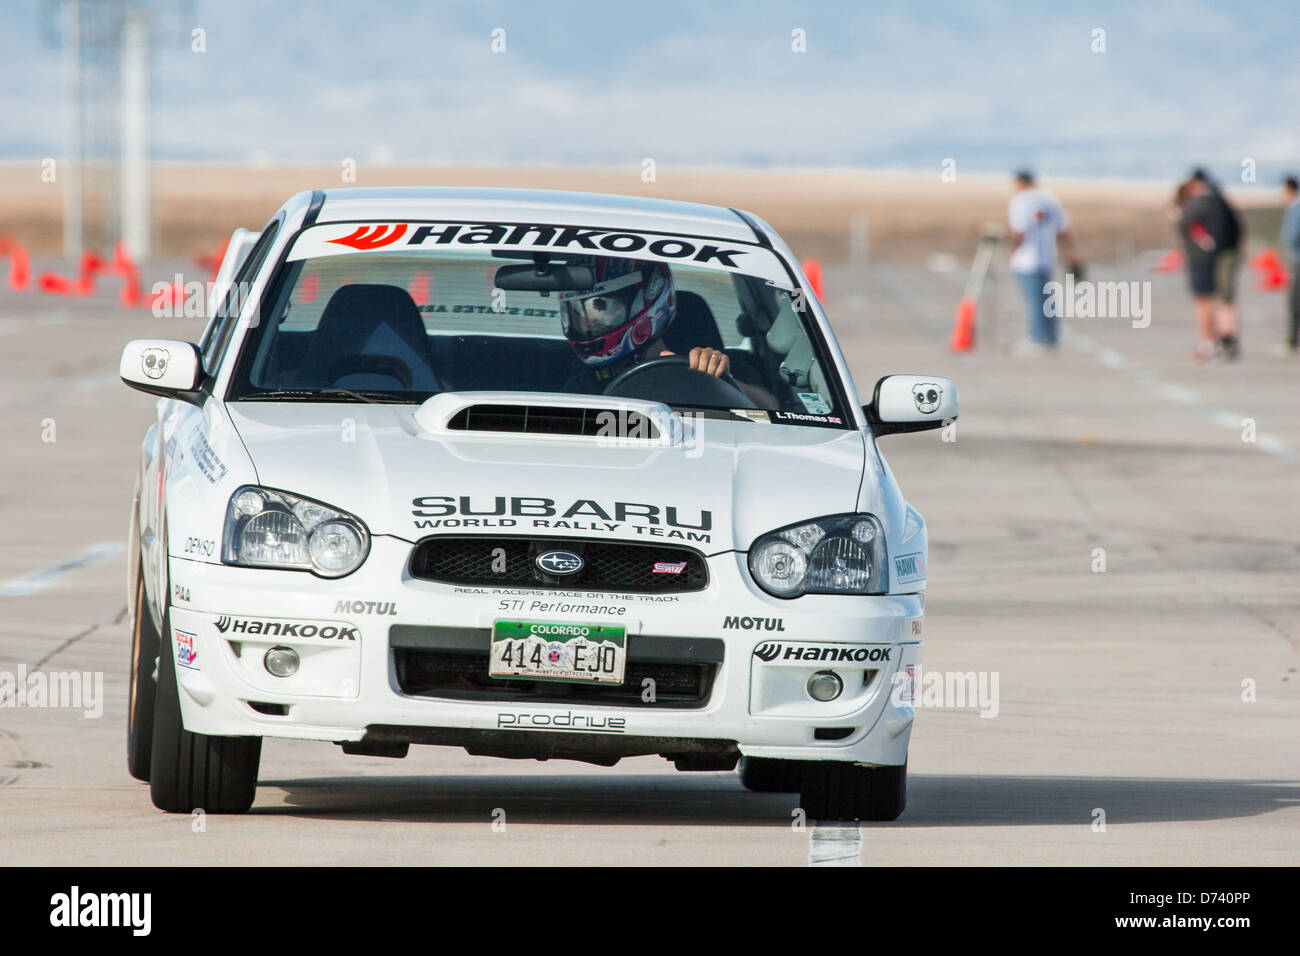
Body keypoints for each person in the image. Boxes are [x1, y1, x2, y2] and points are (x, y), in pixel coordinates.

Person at [557, 255, 773, 406]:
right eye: (576, 312)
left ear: (648, 298)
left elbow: (772, 411)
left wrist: (720, 380)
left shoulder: (716, 365)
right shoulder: (585, 385)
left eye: (600, 307)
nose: (585, 323)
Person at [1007, 170, 1082, 356]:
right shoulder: (1049, 200)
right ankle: (1051, 336)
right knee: (1047, 300)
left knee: (1034, 301)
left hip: (1025, 259)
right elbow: (1062, 229)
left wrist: (1012, 251)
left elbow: (1020, 230)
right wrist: (1070, 252)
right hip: (1047, 257)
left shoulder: (1020, 200)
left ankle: (1037, 339)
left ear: (1020, 182)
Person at [1179, 169, 1244, 360]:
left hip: (1207, 258)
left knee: (1205, 300)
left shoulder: (1203, 202)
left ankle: (1211, 342)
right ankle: (1226, 338)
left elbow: (1185, 223)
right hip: (1223, 255)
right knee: (1224, 298)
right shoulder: (1222, 200)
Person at [1278, 176, 1300, 357]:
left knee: (1294, 301)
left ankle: (1292, 341)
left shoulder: (1296, 208)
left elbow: (1290, 236)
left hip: (1297, 259)